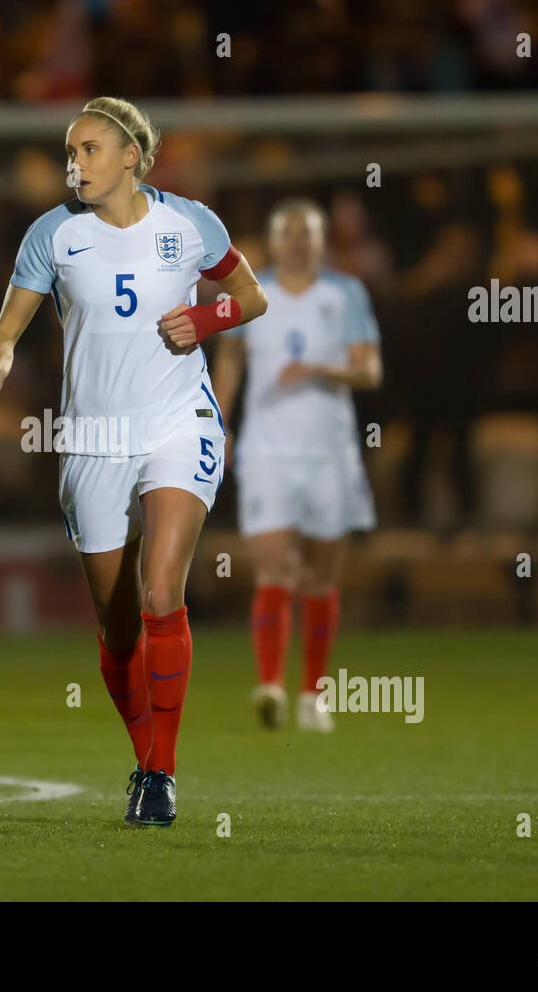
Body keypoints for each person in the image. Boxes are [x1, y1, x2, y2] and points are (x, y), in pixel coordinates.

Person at [0, 96, 267, 827]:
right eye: (70, 154)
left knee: (162, 589)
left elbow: (250, 296)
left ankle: (161, 776)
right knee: (119, 626)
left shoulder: (190, 224)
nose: (76, 165)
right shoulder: (53, 235)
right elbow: (6, 331)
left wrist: (205, 318)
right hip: (94, 438)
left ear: (132, 155)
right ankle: (144, 758)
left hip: (177, 420)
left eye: (90, 150)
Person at [209, 199, 382, 731]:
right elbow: (231, 362)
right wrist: (218, 422)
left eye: (307, 234)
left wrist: (317, 370)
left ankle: (312, 693)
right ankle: (268, 686)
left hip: (330, 451)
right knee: (275, 567)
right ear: (274, 240)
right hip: (266, 450)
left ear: (321, 241)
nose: (297, 243)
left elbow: (369, 372)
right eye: (288, 234)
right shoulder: (250, 292)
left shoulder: (345, 294)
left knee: (319, 577)